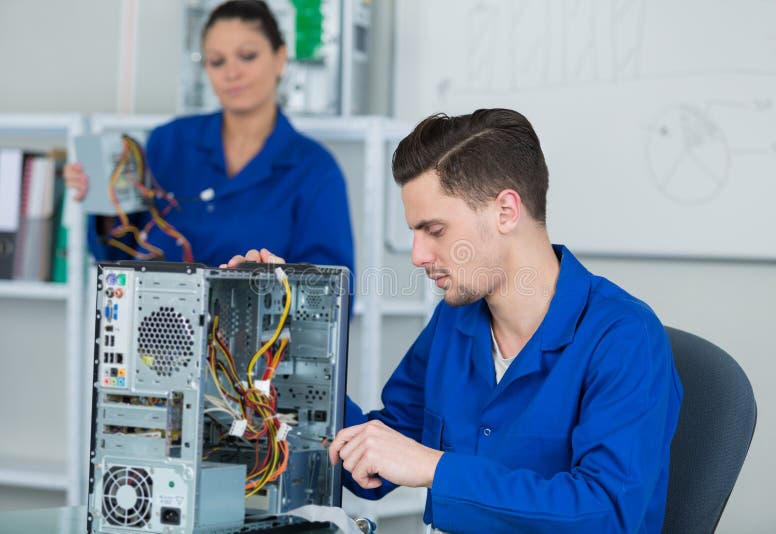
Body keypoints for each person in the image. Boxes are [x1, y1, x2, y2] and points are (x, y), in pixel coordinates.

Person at [225, 108, 683, 533]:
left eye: (435, 230)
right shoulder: (456, 320)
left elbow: (606, 513)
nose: (419, 256)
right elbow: (373, 463)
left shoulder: (624, 338)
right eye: (414, 233)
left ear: (506, 211)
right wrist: (283, 341)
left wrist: (434, 467)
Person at [65, 0, 354, 273]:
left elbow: (333, 296)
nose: (232, 73)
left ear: (280, 59)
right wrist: (106, 200)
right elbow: (116, 261)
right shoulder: (168, 142)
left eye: (247, 56)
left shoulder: (315, 170)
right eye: (217, 61)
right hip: (160, 324)